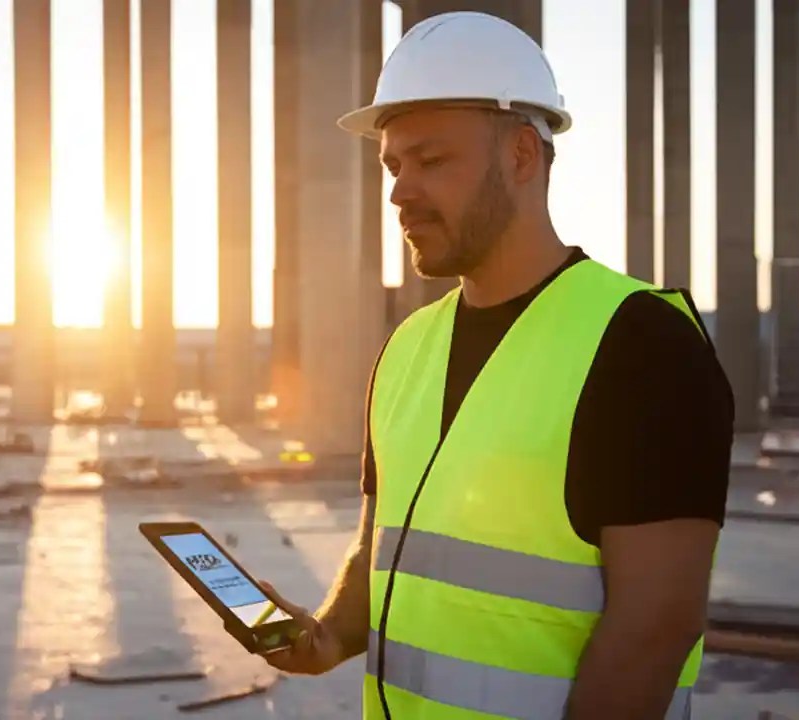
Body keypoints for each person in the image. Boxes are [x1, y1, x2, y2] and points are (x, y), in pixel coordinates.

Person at [256, 11, 734, 720]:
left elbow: (654, 631)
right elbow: (379, 547)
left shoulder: (643, 343)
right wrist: (326, 638)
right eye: (393, 166)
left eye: (431, 161)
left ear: (521, 154)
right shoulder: (408, 346)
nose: (399, 192)